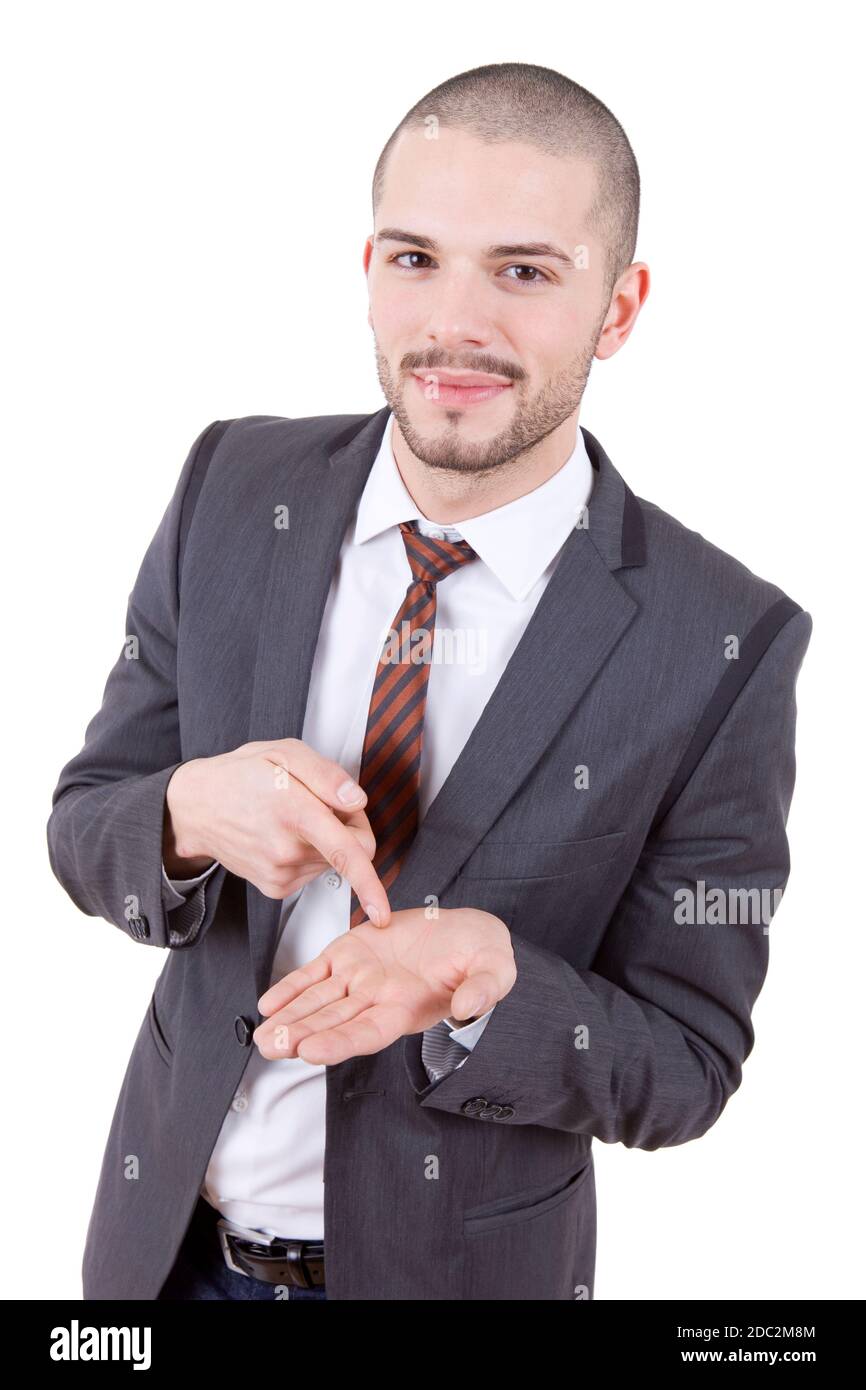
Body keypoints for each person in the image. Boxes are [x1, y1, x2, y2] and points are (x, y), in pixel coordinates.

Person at [47, 62, 812, 1301]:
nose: (455, 325)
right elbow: (85, 821)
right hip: (158, 1264)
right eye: (415, 259)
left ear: (618, 309)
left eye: (522, 271)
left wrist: (490, 984)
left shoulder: (721, 639)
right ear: (366, 268)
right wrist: (189, 813)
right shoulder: (231, 490)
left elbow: (687, 1061)